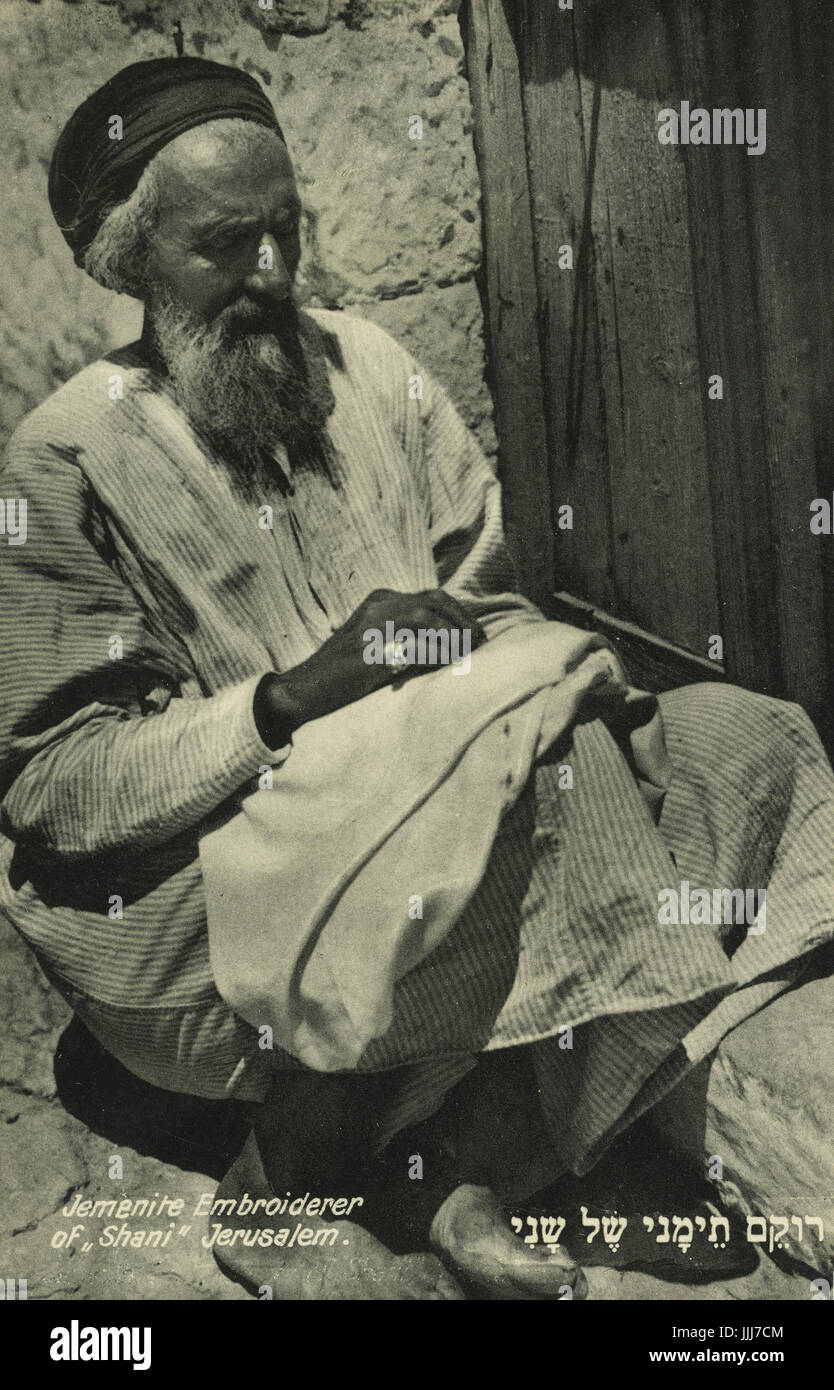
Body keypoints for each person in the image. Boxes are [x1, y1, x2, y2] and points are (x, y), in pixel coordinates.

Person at [2, 56, 833, 1300]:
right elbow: (57, 790)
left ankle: (459, 1161)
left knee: (747, 746)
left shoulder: (371, 368)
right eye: (226, 246)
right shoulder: (64, 459)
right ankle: (302, 1177)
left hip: (458, 811)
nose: (272, 274)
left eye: (288, 229)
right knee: (550, 772)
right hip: (214, 891)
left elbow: (491, 604)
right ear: (132, 258)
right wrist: (299, 695)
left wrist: (522, 674)